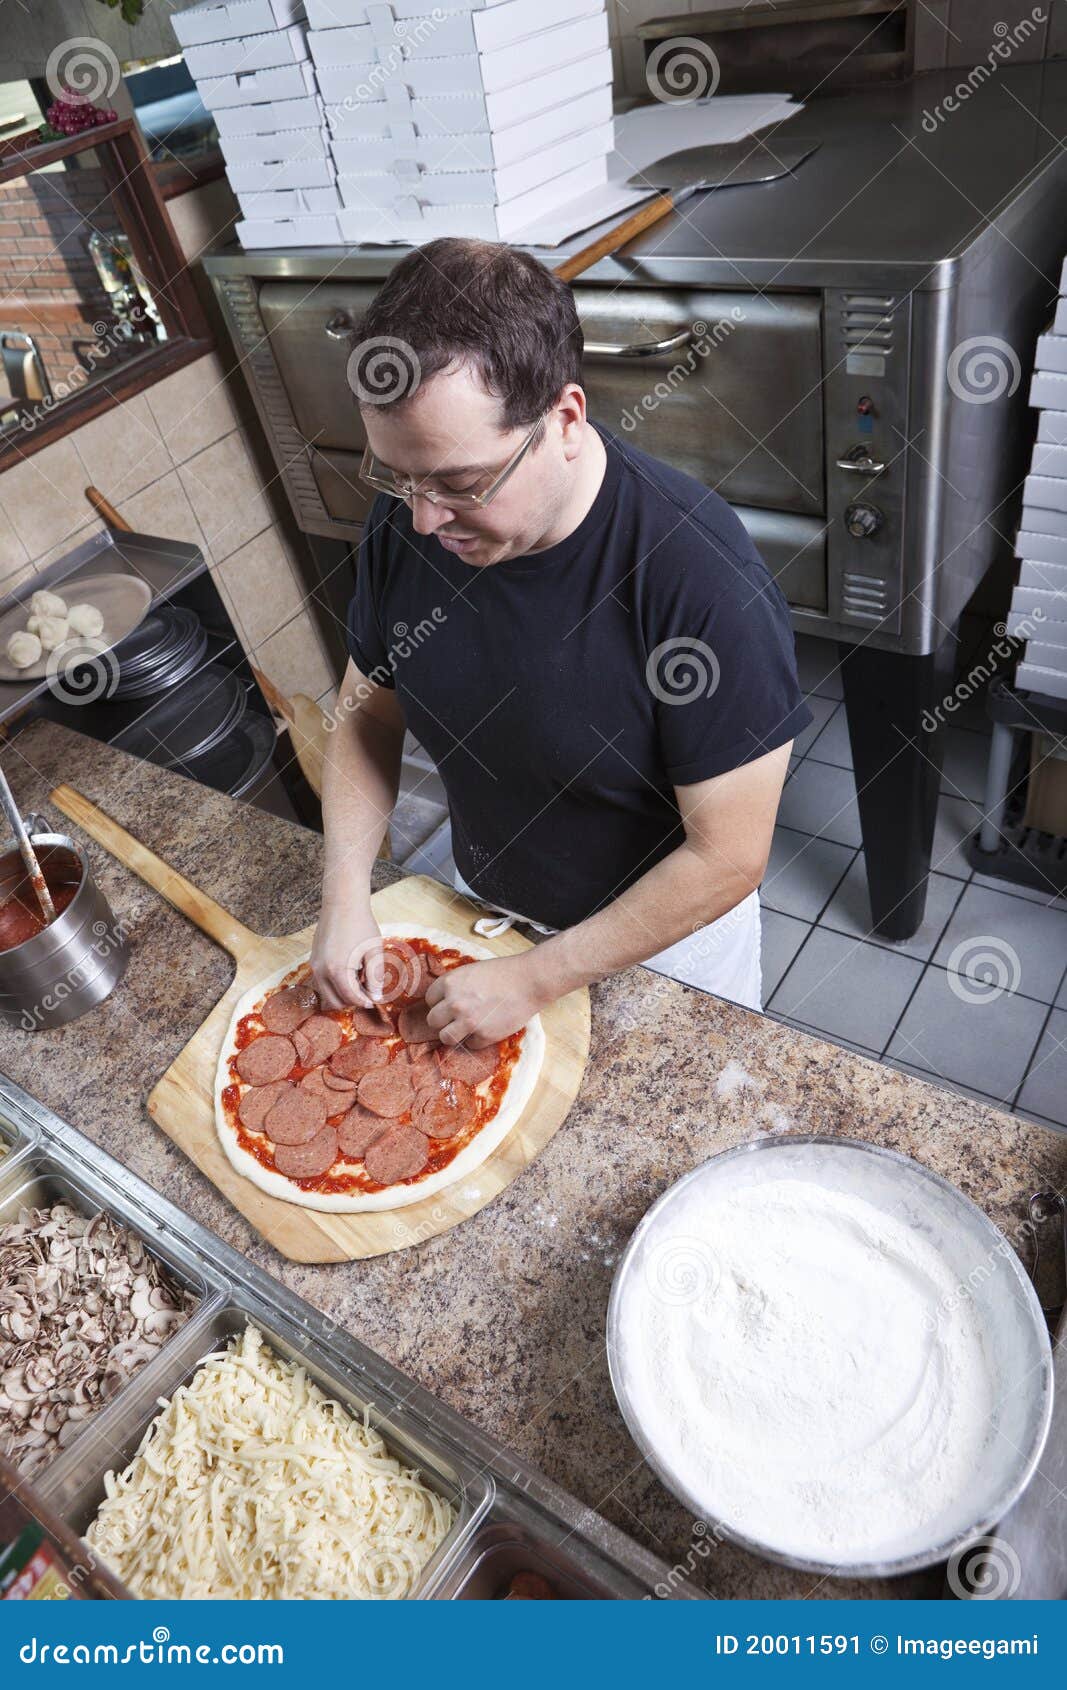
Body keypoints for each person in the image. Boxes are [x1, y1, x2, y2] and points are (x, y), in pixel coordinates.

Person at [312, 238, 810, 1045]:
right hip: (487, 911)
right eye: (397, 477)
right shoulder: (412, 521)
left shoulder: (698, 579)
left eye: (460, 484)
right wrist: (343, 897)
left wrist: (539, 978)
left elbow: (726, 855)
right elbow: (368, 715)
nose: (423, 519)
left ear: (564, 420)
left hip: (661, 952)